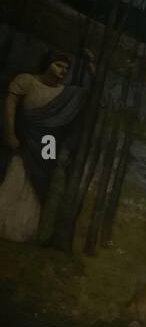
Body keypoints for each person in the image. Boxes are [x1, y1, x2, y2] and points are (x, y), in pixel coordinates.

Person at [0, 50, 93, 243]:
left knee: (39, 180)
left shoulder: (65, 93)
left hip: (47, 143)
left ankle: (23, 232)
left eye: (66, 68)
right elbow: (10, 106)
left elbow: (88, 93)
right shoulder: (26, 80)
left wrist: (91, 65)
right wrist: (10, 134)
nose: (63, 71)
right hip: (24, 137)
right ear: (47, 64)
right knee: (15, 175)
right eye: (59, 65)